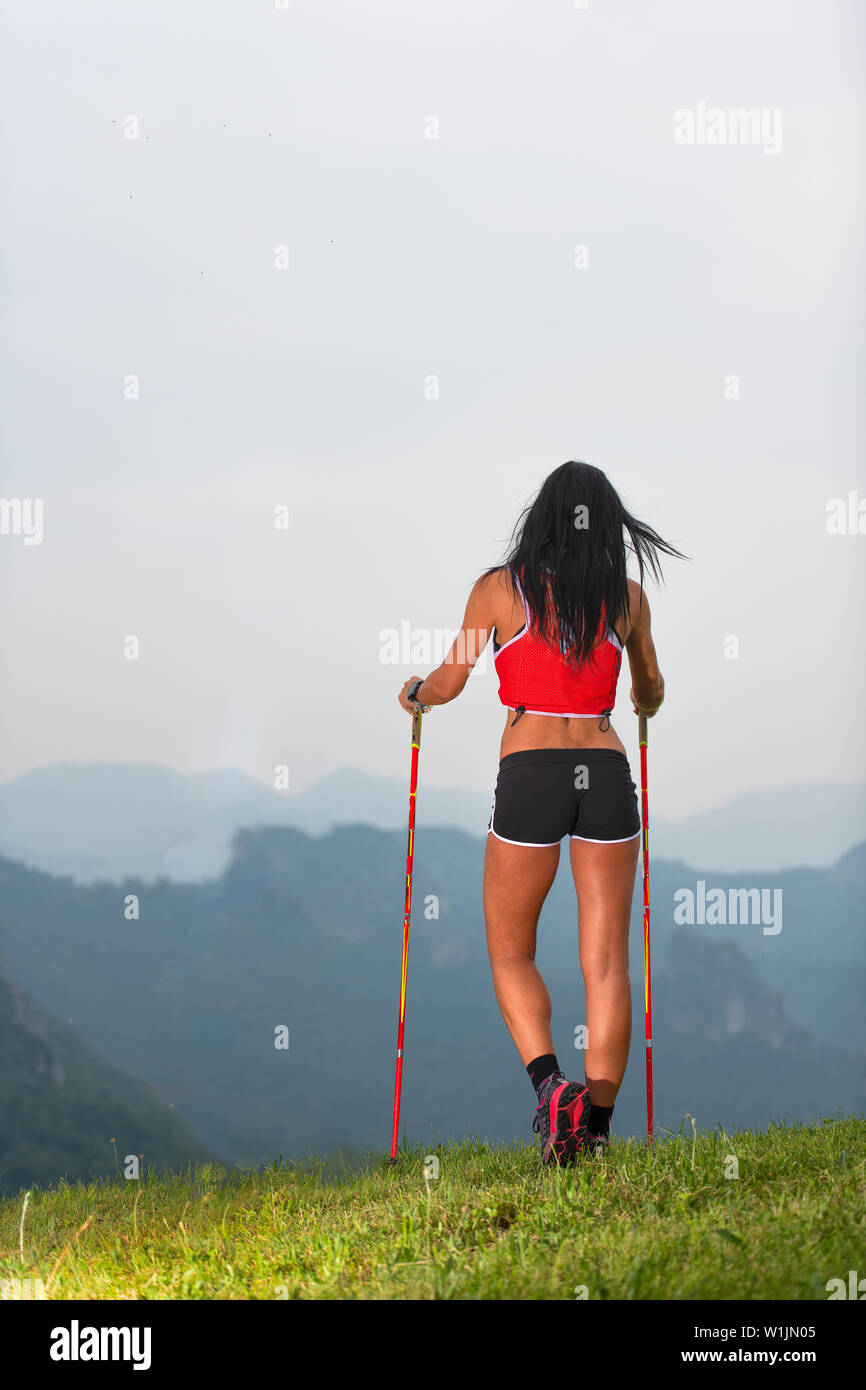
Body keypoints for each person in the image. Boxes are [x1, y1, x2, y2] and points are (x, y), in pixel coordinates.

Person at [398, 460, 685, 1165]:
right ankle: (595, 1130)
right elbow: (648, 690)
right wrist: (646, 697)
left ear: (543, 516)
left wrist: (415, 695)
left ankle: (553, 1087)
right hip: (606, 767)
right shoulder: (626, 598)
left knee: (510, 948)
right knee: (608, 964)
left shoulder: (499, 590)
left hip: (530, 769)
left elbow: (452, 678)